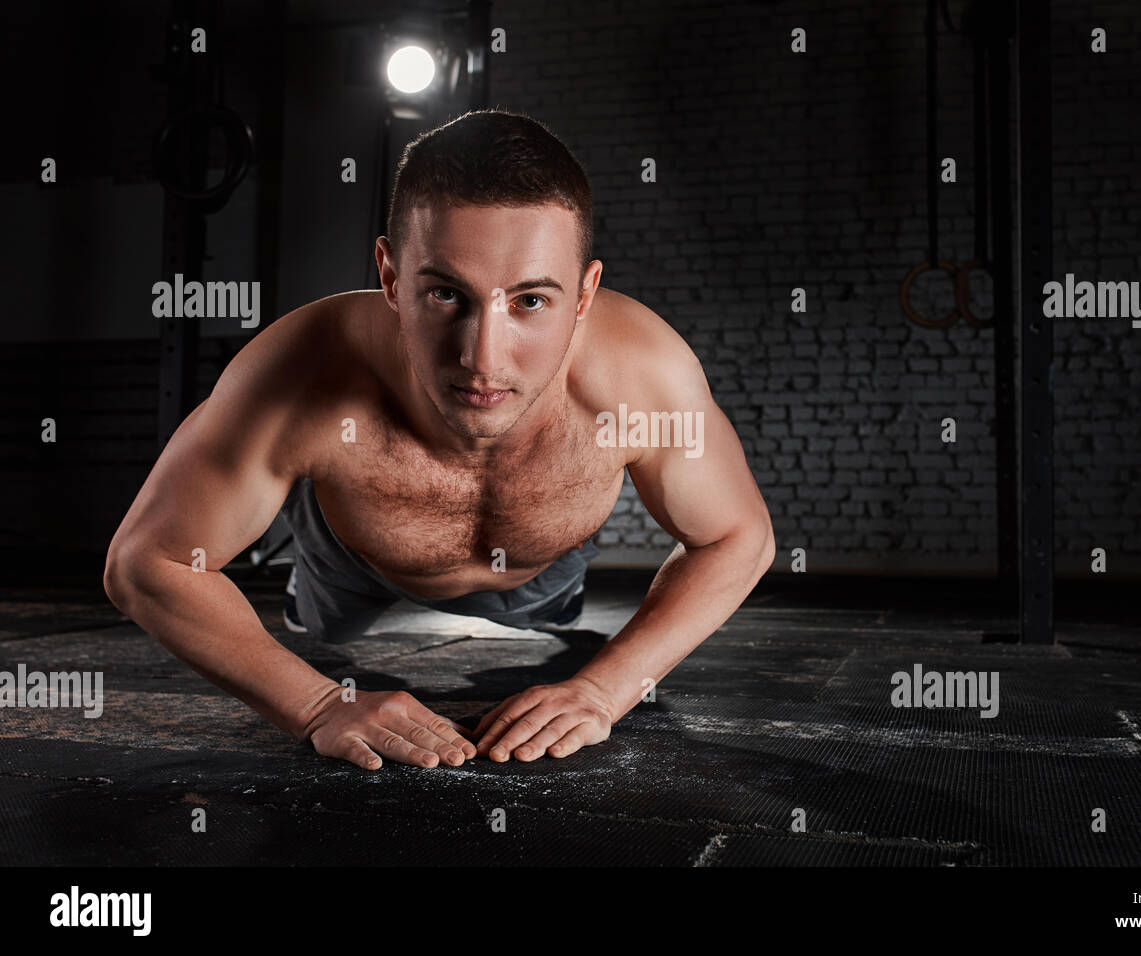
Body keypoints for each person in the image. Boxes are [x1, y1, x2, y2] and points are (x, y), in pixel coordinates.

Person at [104, 108, 774, 770]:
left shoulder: (645, 374)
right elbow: (147, 561)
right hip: (349, 574)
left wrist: (603, 689)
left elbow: (736, 536)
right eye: (448, 295)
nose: (483, 359)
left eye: (530, 301)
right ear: (391, 278)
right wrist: (317, 705)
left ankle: (544, 612)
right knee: (322, 629)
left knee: (560, 634)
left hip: (542, 583)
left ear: (584, 293)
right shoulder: (301, 372)